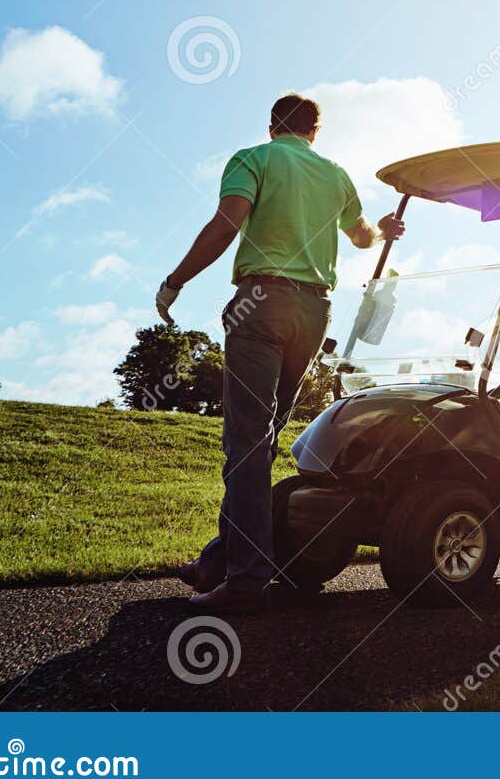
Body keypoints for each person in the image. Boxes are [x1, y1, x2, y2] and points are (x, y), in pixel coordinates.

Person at [157, 93, 402, 613]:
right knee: (261, 442)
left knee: (247, 443)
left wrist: (175, 281)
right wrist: (385, 229)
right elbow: (363, 236)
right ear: (315, 131)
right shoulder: (335, 175)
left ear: (272, 127)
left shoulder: (254, 158)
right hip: (314, 313)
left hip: (262, 305)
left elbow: (227, 224)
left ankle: (247, 579)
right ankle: (218, 560)